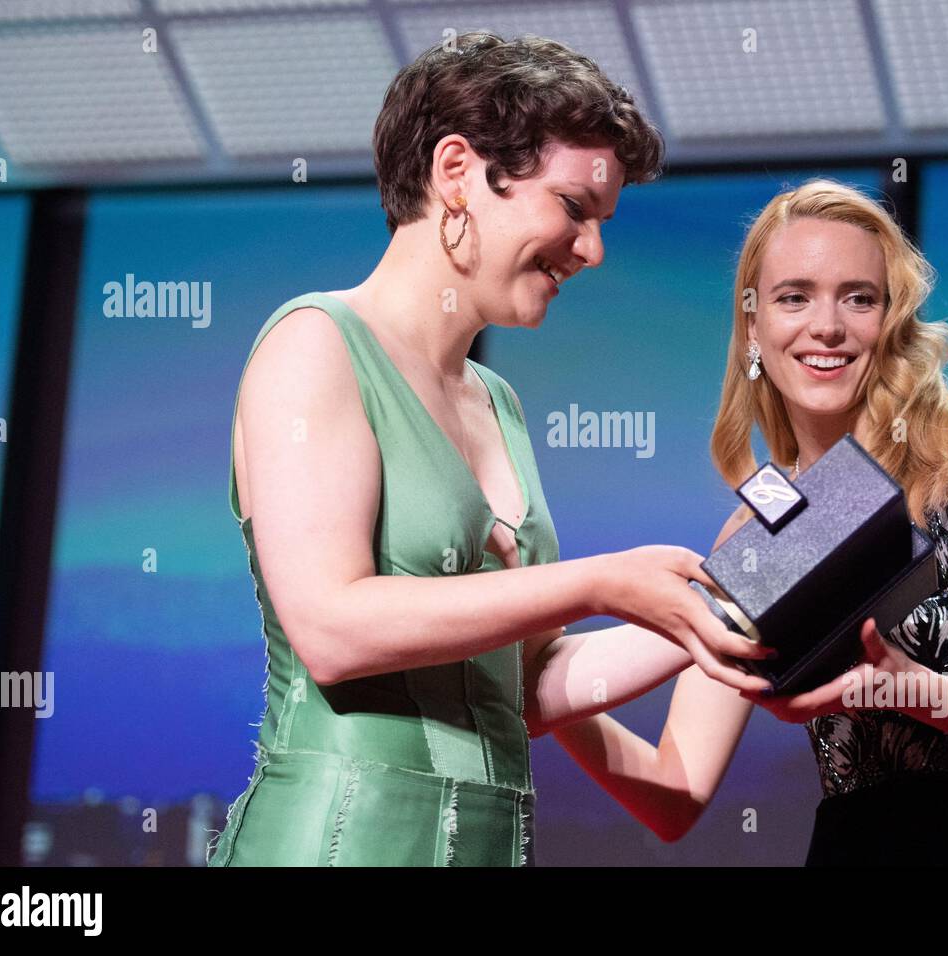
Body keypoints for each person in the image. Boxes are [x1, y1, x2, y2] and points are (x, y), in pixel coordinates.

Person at [206, 32, 771, 867]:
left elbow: (526, 688)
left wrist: (726, 611)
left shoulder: (497, 402)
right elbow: (330, 626)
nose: (593, 251)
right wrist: (599, 581)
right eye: (574, 208)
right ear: (457, 171)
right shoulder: (314, 343)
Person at [551, 178, 948, 866]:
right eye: (795, 297)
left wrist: (909, 689)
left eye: (859, 297)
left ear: (891, 319)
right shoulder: (753, 535)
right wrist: (543, 676)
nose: (828, 326)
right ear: (753, 327)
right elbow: (674, 792)